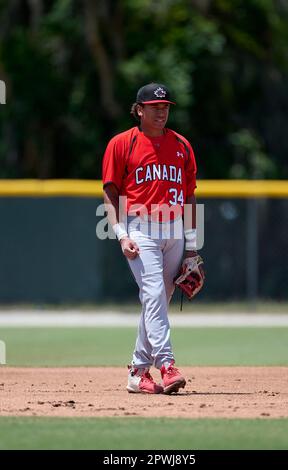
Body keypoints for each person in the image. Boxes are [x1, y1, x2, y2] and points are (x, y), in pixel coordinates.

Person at [102, 82, 201, 394]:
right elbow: (110, 192)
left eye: (166, 106)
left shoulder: (182, 145)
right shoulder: (122, 144)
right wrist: (120, 234)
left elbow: (189, 198)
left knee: (158, 300)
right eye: (155, 106)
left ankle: (137, 372)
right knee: (155, 293)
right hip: (140, 227)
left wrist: (192, 247)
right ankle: (167, 365)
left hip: (174, 230)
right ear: (140, 110)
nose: (162, 111)